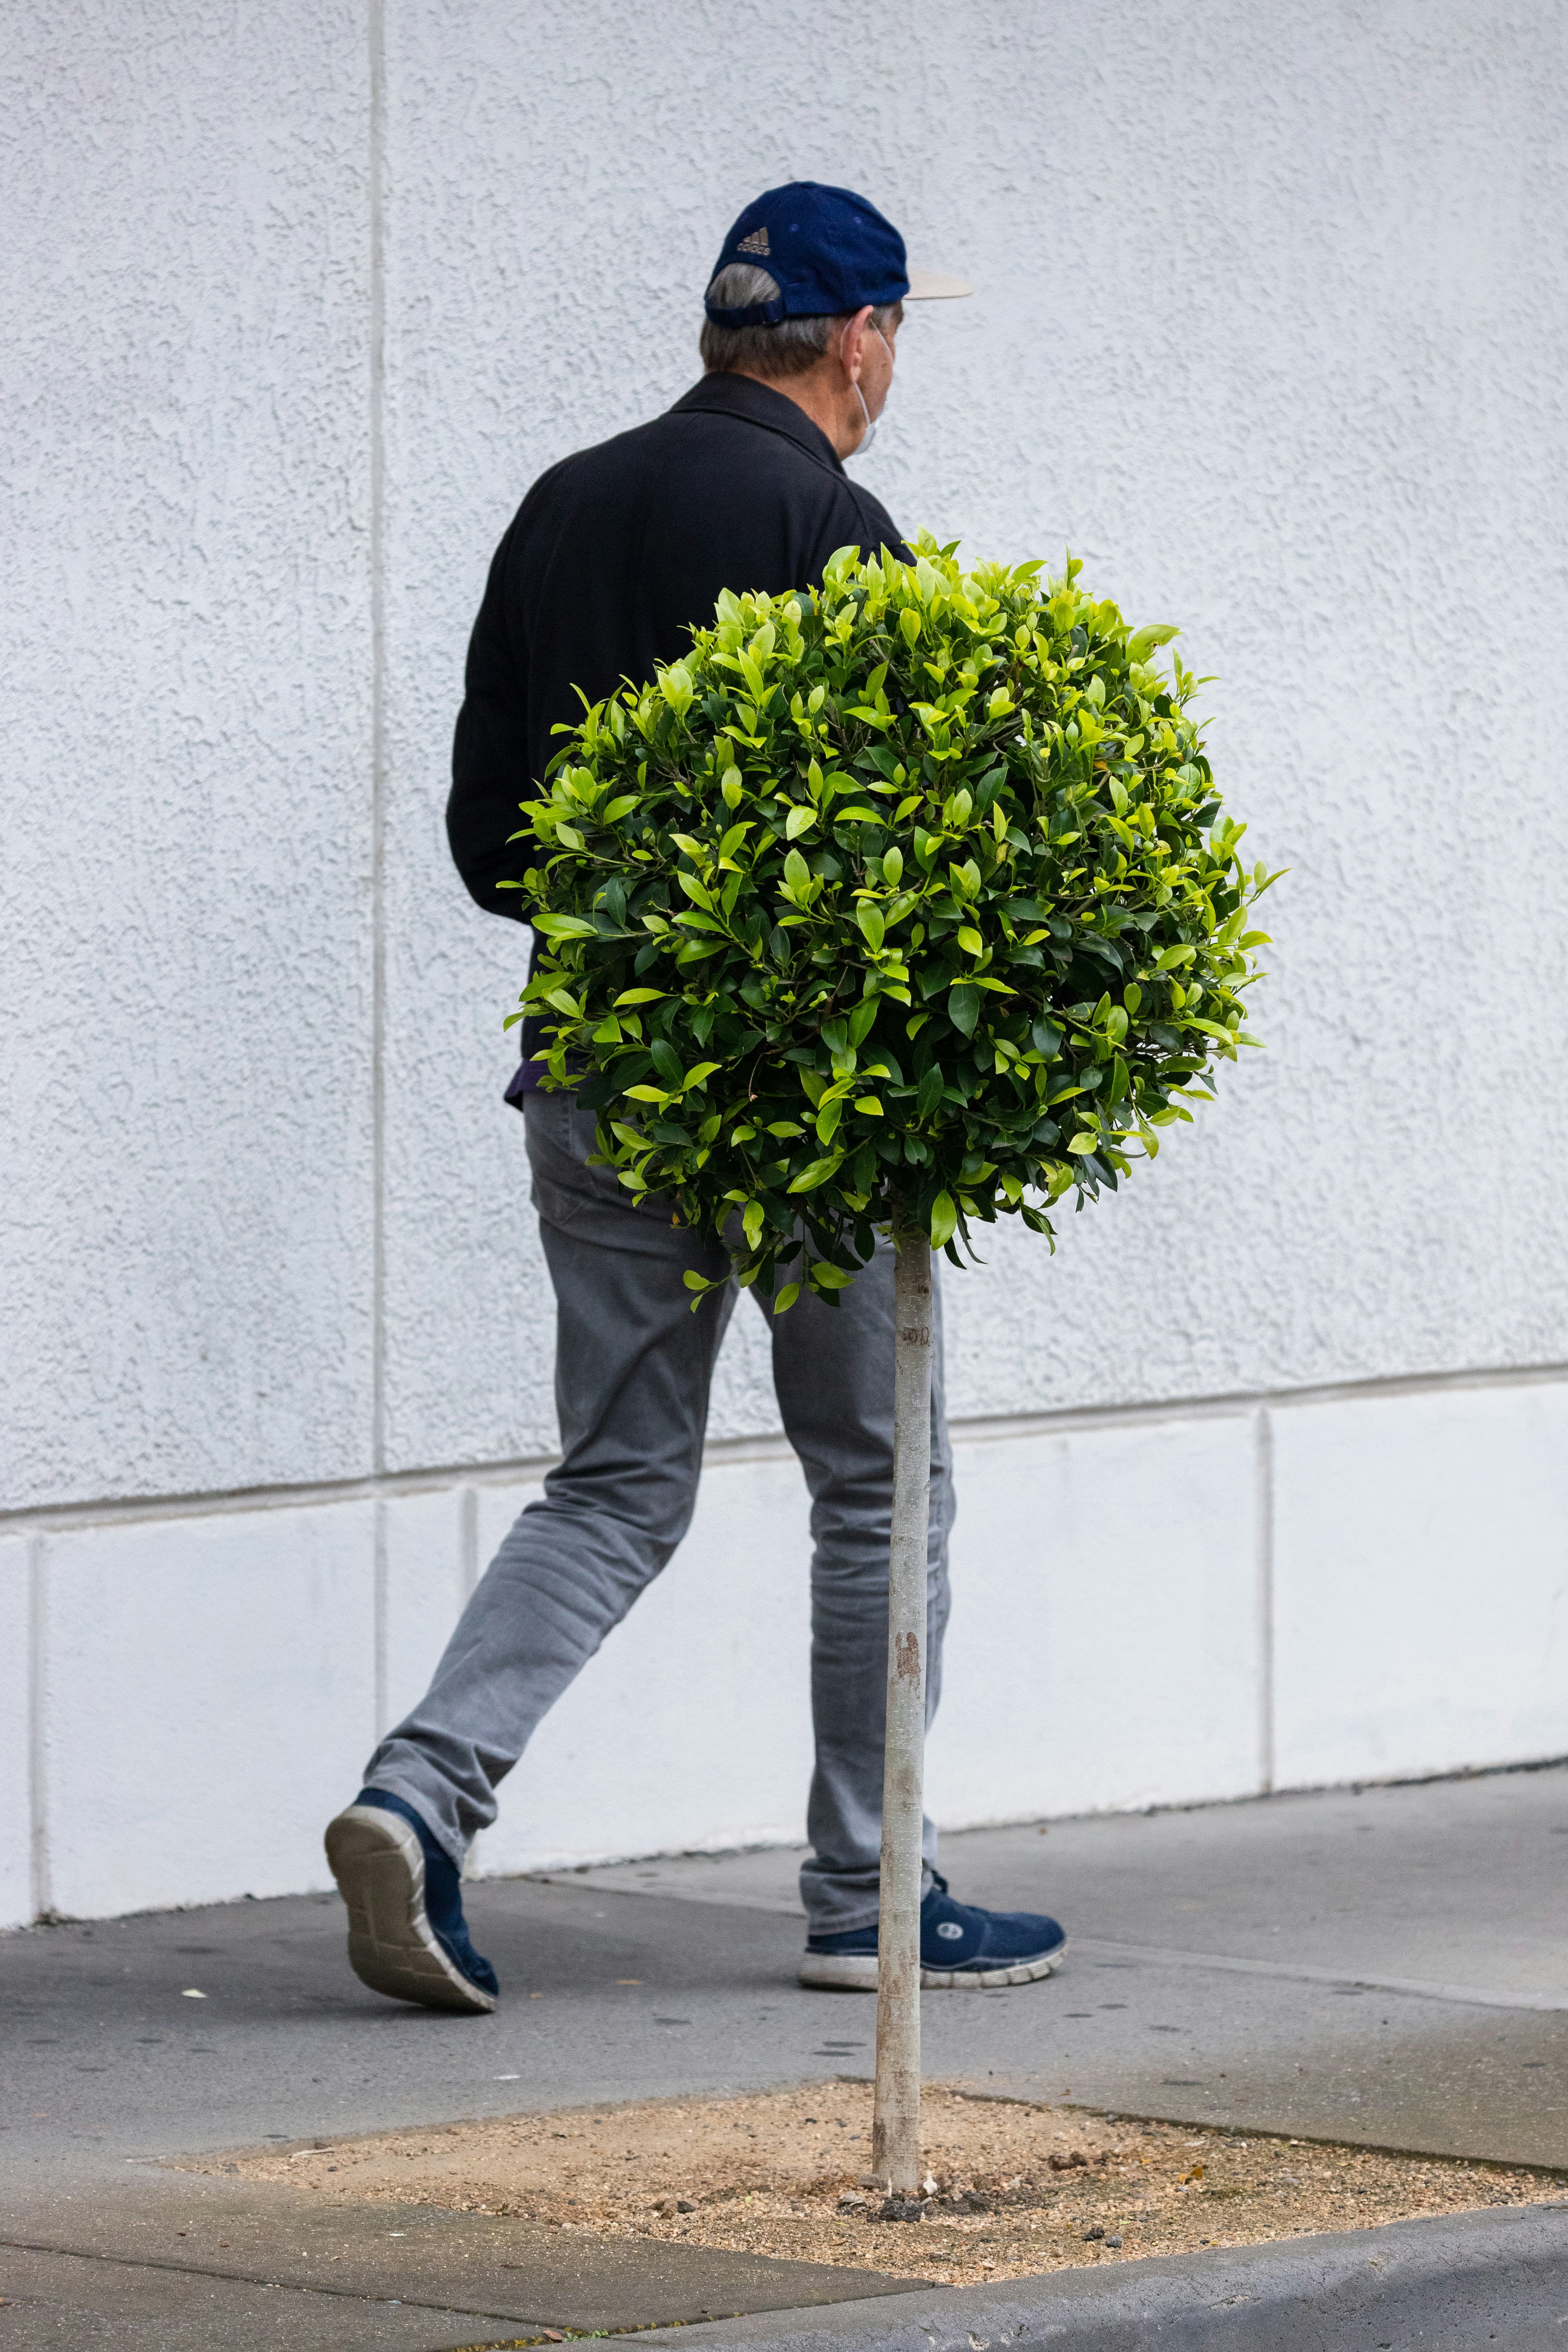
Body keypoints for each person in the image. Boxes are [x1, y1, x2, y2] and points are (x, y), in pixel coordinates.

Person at [325, 183, 1067, 2015]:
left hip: (598, 1075)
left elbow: (491, 841)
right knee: (879, 1488)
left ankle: (422, 1795)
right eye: (896, 334)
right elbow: (914, 850)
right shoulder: (831, 521)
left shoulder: (562, 504)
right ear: (857, 338)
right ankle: (861, 1895)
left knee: (615, 1482)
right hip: (805, 1104)